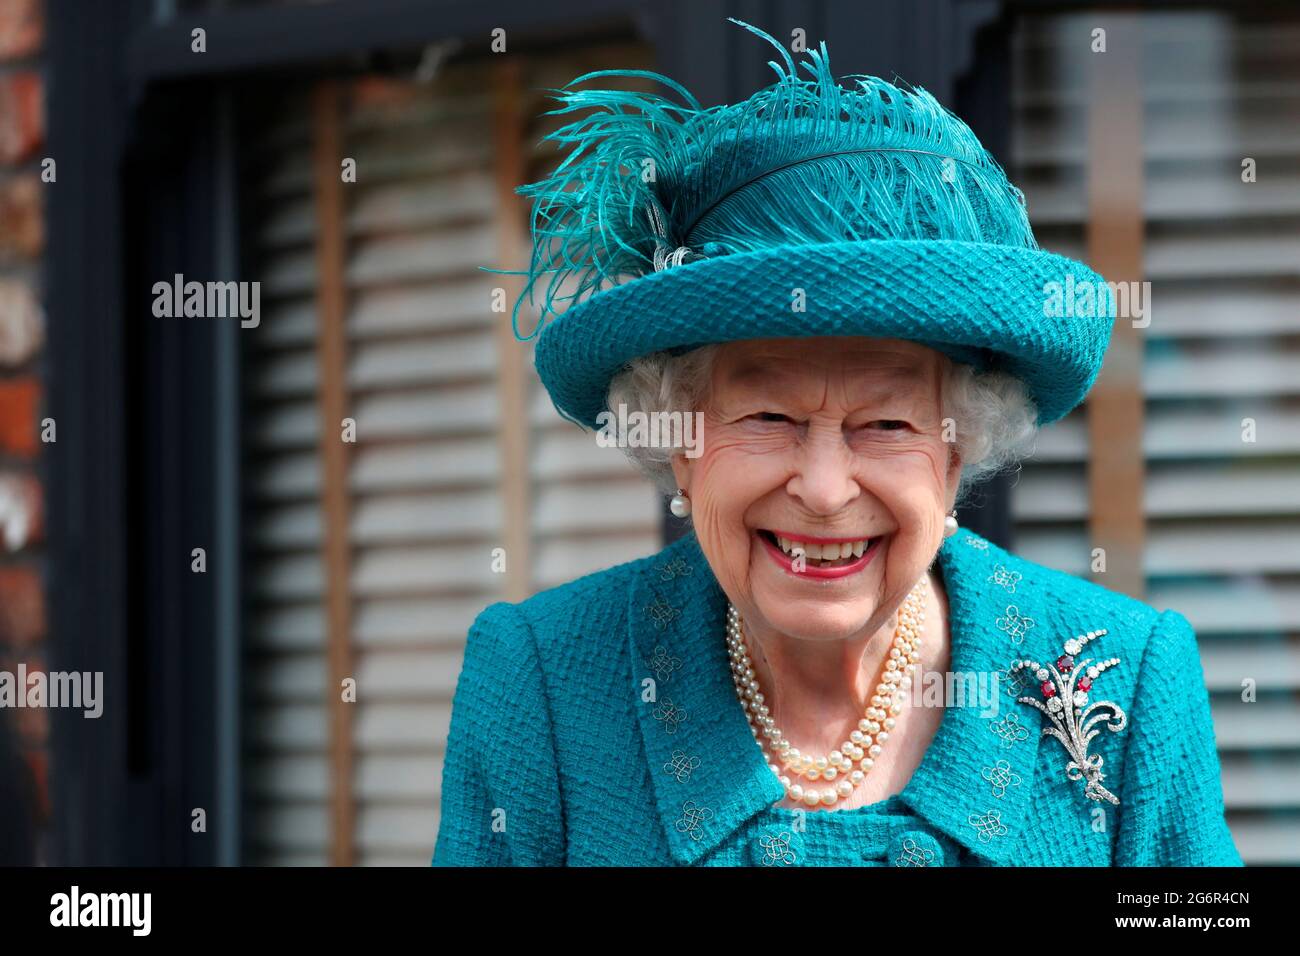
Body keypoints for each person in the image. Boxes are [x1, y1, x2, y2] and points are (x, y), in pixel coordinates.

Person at [432, 20, 1241, 866]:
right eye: (768, 419)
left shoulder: (1126, 681)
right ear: (678, 439)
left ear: (960, 448)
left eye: (886, 425)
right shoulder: (542, 685)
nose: (823, 490)